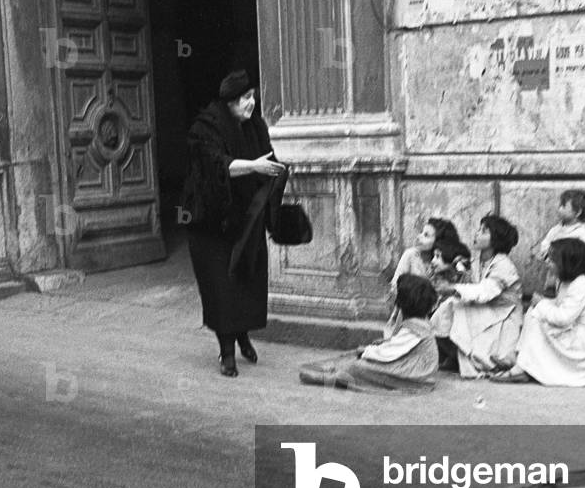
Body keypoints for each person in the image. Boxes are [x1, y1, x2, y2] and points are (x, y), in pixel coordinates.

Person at [185, 70, 286, 377]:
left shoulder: (255, 126)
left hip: (244, 220)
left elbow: (268, 159)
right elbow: (216, 164)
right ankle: (226, 352)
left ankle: (243, 336)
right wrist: (254, 166)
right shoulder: (206, 127)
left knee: (247, 281)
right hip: (211, 224)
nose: (251, 103)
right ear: (229, 102)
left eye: (252, 96)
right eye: (244, 98)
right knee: (221, 288)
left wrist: (275, 172)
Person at [492, 239, 585, 386]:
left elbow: (563, 318)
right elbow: (563, 306)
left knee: (537, 317)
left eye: (553, 260)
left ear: (567, 263)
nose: (548, 262)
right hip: (578, 328)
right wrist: (543, 304)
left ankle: (521, 369)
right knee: (534, 313)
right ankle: (520, 359)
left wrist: (541, 304)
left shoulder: (581, 284)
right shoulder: (565, 281)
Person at [300, 274, 441, 394]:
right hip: (417, 369)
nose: (392, 294)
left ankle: (336, 378)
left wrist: (367, 351)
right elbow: (400, 344)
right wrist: (380, 345)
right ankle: (338, 371)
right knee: (368, 355)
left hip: (417, 377)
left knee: (359, 367)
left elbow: (390, 352)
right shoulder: (419, 321)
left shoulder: (415, 327)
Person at [432, 215, 523, 378]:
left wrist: (452, 288)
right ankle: (453, 354)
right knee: (450, 306)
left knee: (456, 306)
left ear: (495, 240)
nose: (476, 234)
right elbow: (464, 277)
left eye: (483, 231)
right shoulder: (475, 261)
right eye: (478, 229)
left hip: (504, 317)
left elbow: (485, 291)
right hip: (485, 311)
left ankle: (463, 357)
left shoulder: (504, 265)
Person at [385, 218, 470, 338]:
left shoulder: (444, 261)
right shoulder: (411, 255)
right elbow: (395, 288)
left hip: (439, 316)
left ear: (439, 241)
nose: (419, 237)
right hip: (412, 311)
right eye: (421, 233)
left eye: (426, 235)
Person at [533, 189, 585, 296]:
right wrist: (545, 255)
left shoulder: (582, 234)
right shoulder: (556, 229)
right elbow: (545, 246)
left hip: (572, 280)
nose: (559, 209)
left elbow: (580, 260)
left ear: (578, 212)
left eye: (564, 206)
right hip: (554, 276)